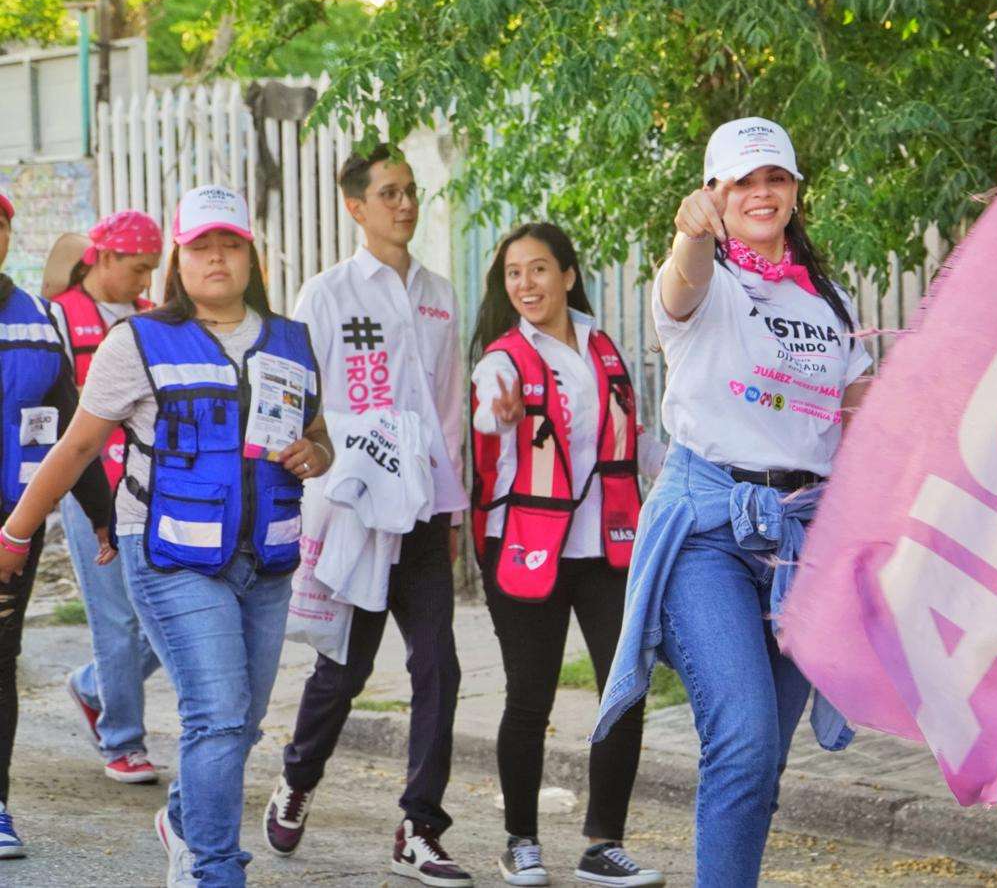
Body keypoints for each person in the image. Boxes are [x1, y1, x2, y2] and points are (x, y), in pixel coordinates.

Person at [0, 184, 331, 887]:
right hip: (170, 554)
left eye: (230, 245)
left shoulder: (292, 341)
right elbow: (78, 445)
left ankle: (184, 819)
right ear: (180, 260)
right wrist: (17, 532)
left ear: (252, 257)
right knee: (215, 713)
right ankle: (213, 869)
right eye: (202, 246)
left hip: (265, 560)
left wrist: (315, 455)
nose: (217, 258)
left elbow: (316, 438)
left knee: (241, 722)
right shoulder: (139, 341)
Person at [593, 117, 872, 886]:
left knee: (763, 760)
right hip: (708, 530)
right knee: (743, 741)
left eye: (774, 178)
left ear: (794, 190)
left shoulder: (830, 298)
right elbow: (680, 285)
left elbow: (860, 411)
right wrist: (690, 234)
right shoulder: (706, 279)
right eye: (741, 181)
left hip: (800, 539)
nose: (761, 193)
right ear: (715, 192)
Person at [265, 144, 474, 888]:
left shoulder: (442, 294)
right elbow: (300, 401)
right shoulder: (326, 295)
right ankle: (297, 775)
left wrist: (451, 512)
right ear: (355, 206)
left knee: (439, 665)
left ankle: (420, 825)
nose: (406, 205)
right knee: (345, 668)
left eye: (411, 191)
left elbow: (450, 411)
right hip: (355, 509)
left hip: (421, 511)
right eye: (389, 193)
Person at [468, 222, 662, 887]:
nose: (526, 284)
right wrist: (502, 418)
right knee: (530, 699)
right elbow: (485, 424)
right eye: (514, 273)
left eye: (539, 269)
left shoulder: (604, 347)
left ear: (568, 275)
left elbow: (632, 440)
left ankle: (603, 843)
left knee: (622, 691)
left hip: (608, 546)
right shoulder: (500, 360)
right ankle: (519, 840)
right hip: (525, 546)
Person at [0, 191, 117, 860]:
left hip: (10, 529)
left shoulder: (39, 321)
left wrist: (101, 516)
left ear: (10, 233)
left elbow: (73, 432)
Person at [48, 211, 166, 785]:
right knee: (116, 620)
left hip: (153, 488)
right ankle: (122, 740)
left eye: (152, 270)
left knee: (168, 619)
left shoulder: (153, 319)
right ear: (106, 258)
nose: (146, 282)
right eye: (139, 269)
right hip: (90, 487)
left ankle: (95, 685)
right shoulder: (59, 317)